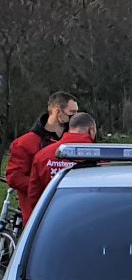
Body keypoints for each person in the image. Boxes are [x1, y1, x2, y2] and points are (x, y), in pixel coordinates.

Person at [6, 91, 77, 222]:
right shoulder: (25, 144)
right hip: (39, 217)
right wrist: (45, 187)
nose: (76, 117)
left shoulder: (75, 142)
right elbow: (14, 177)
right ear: (57, 112)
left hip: (71, 214)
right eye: (72, 113)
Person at [29, 112, 98, 209]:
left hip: (54, 220)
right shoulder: (102, 158)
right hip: (91, 218)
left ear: (70, 129)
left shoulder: (42, 156)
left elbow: (34, 197)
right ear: (92, 130)